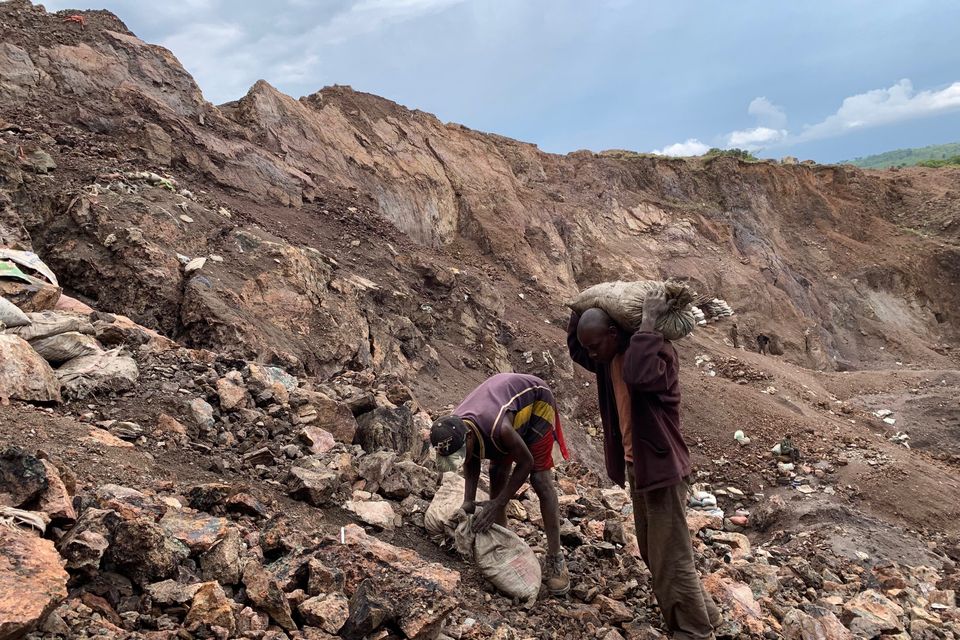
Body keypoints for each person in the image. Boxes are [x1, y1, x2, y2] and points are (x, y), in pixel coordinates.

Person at [567, 294, 722, 640]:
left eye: (596, 346)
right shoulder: (610, 357)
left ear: (614, 333)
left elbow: (638, 376)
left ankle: (694, 630)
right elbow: (579, 351)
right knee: (656, 550)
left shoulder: (658, 355)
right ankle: (706, 613)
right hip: (640, 468)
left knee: (670, 554)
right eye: (590, 349)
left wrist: (649, 322)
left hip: (663, 470)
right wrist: (577, 312)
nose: (592, 355)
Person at [430, 373, 571, 595]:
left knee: (540, 480)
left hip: (536, 403)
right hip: (505, 408)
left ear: (468, 438)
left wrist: (497, 503)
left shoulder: (499, 429)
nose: (459, 460)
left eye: (459, 455)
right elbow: (472, 459)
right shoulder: (453, 427)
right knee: (496, 471)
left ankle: (555, 558)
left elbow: (526, 463)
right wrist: (468, 502)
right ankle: (504, 544)